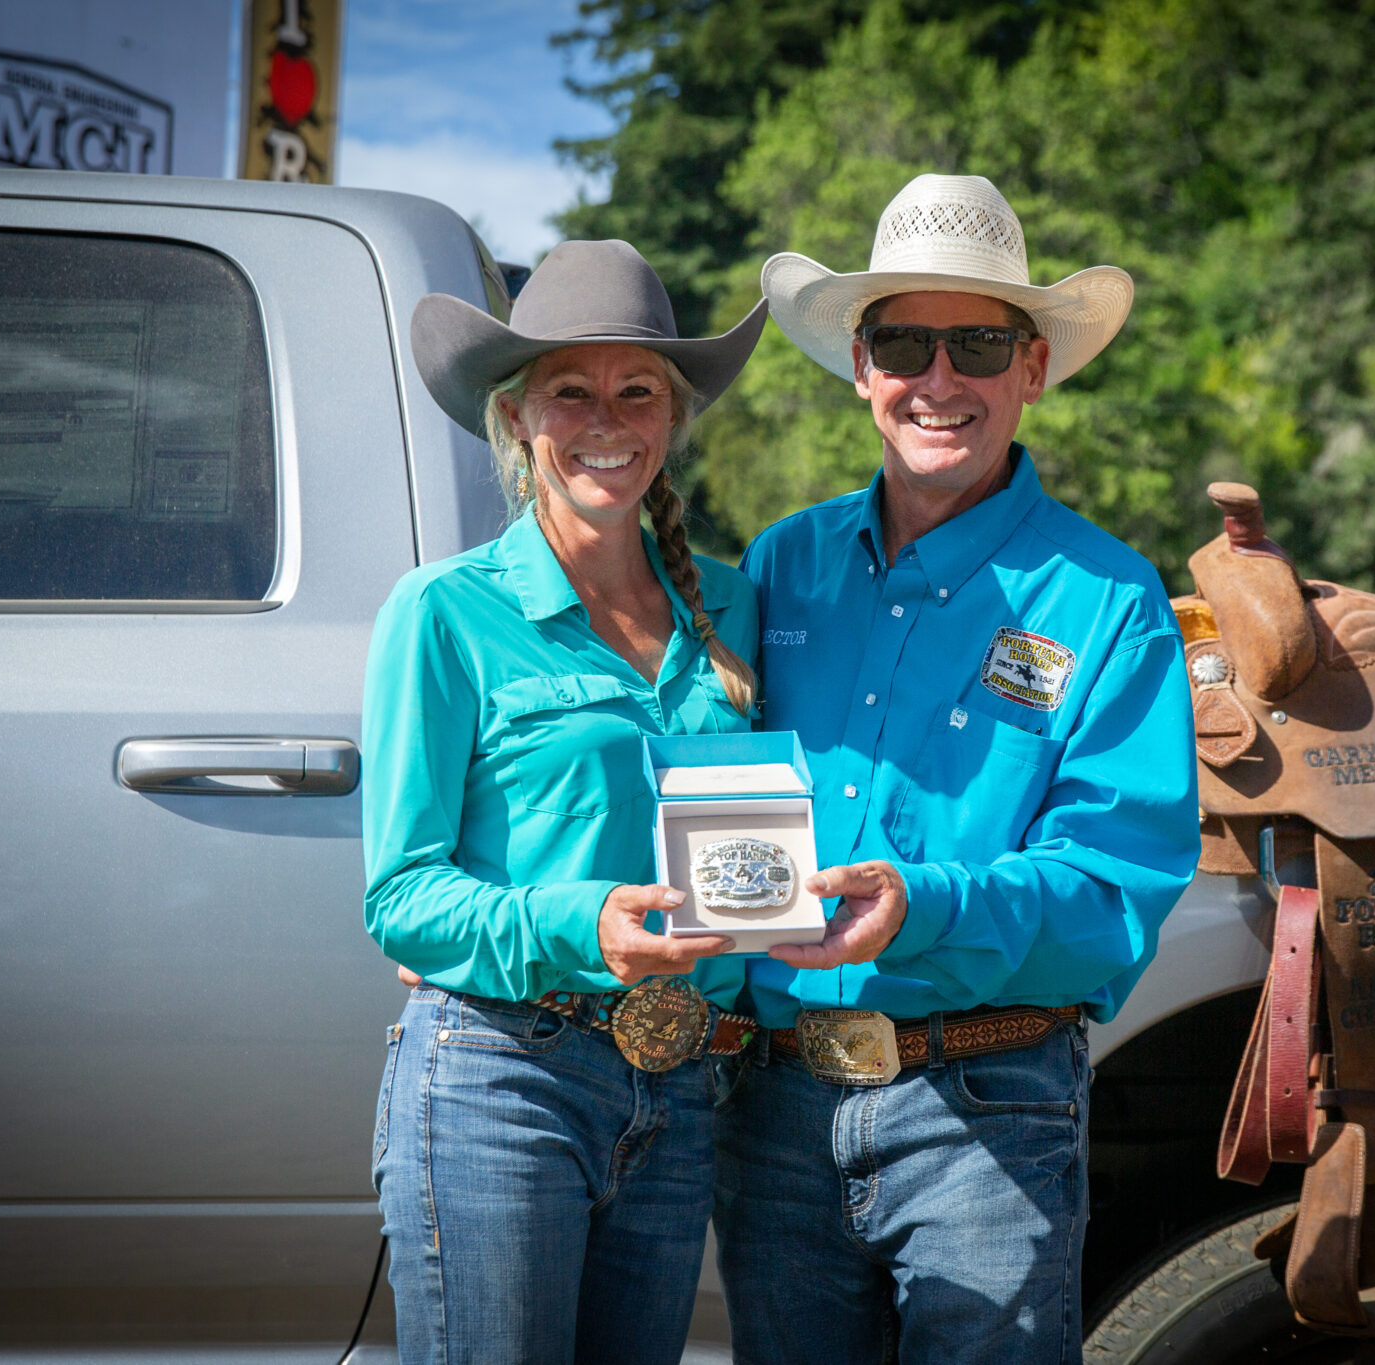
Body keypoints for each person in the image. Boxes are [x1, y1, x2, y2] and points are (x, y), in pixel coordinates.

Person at [713, 174, 1199, 1364]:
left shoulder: (1107, 597)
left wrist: (918, 908)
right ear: (862, 367)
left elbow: (1110, 891)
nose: (939, 380)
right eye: (904, 342)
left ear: (1030, 369)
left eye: (977, 341)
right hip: (769, 1109)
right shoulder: (780, 561)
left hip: (987, 1113)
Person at [365, 239, 767, 1365]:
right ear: (515, 417)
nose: (607, 418)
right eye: (569, 391)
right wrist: (575, 922)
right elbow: (401, 899)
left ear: (672, 418)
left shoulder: (731, 603)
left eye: (637, 391)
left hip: (683, 1090)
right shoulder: (443, 612)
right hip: (503, 1080)